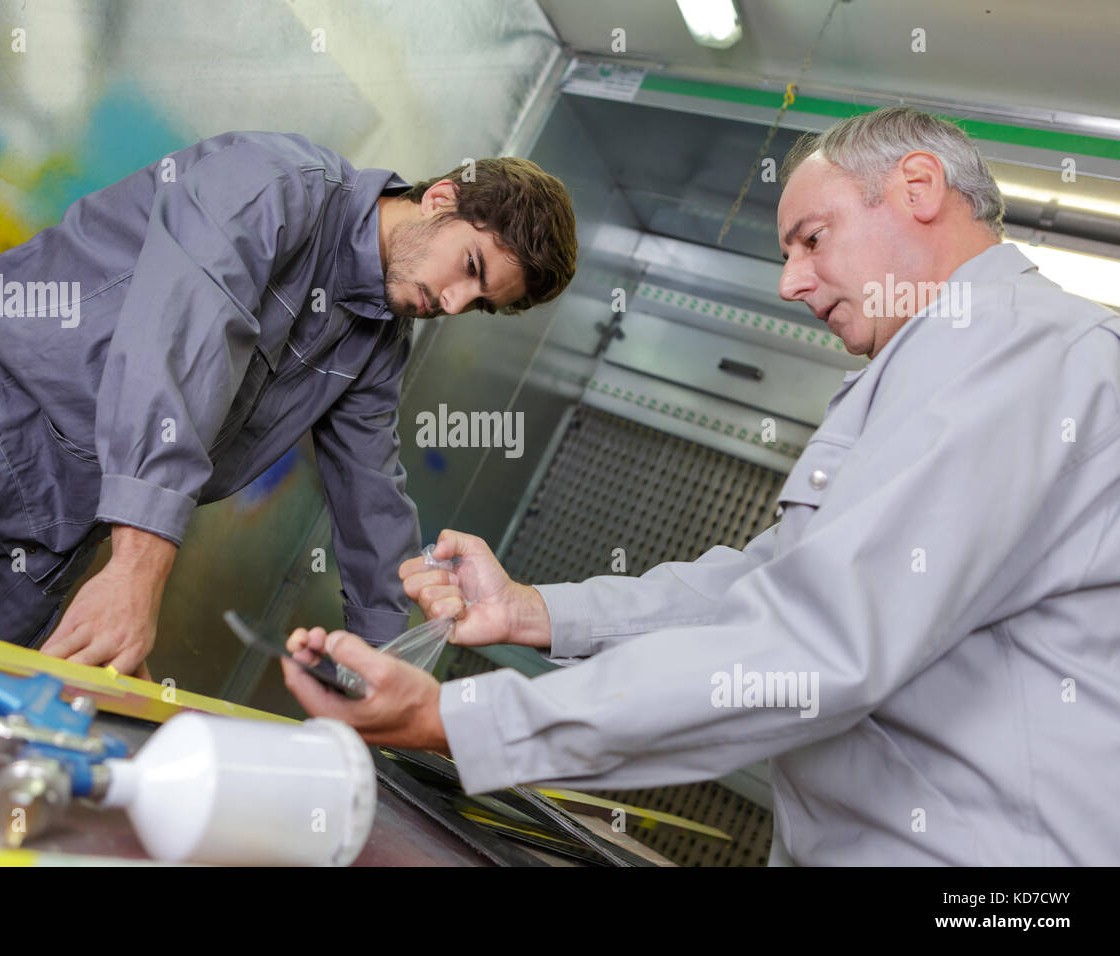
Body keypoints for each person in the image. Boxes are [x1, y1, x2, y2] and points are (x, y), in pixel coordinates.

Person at [282, 107, 1120, 865]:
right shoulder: (946, 366)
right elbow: (764, 587)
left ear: (918, 187)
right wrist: (539, 612)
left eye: (812, 239)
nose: (790, 283)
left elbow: (815, 646)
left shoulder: (1015, 352)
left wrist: (460, 724)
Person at [0, 131, 577, 677]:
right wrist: (138, 573)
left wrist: (387, 664)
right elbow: (176, 346)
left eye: (478, 302)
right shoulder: (272, 184)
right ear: (439, 199)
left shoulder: (377, 339)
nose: (451, 301)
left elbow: (370, 490)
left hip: (67, 522)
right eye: (468, 268)